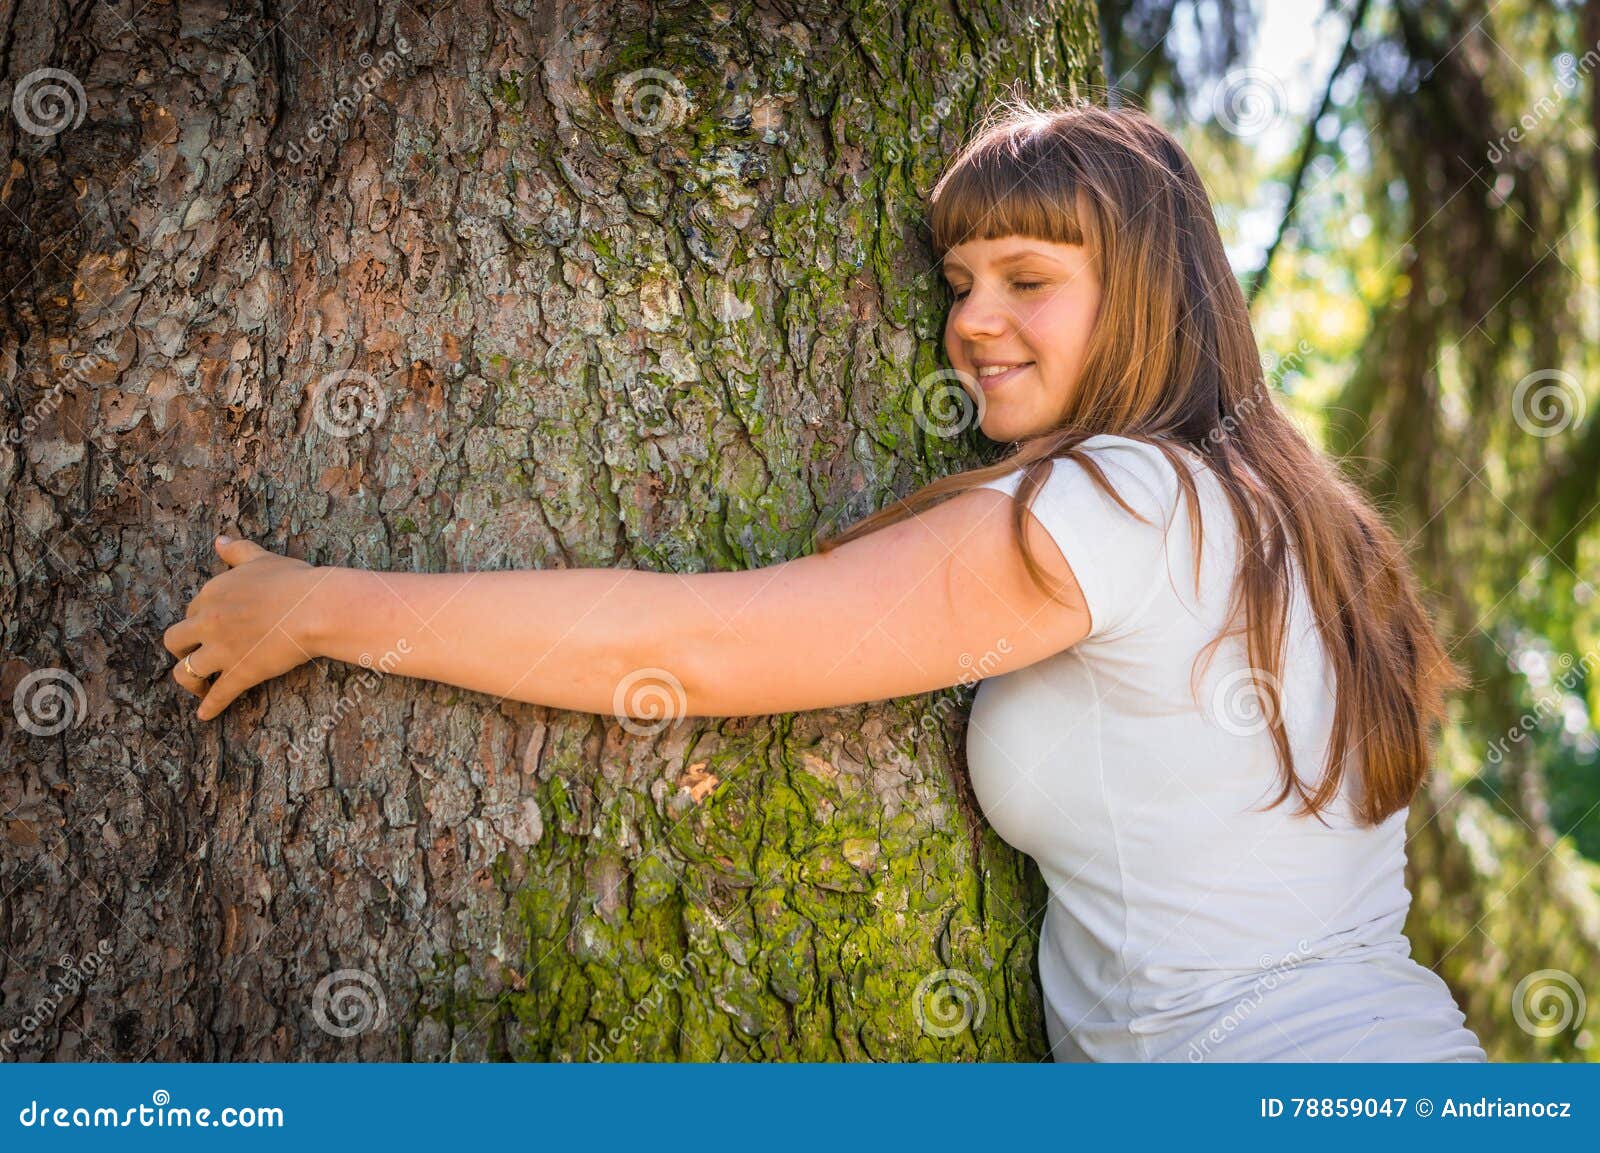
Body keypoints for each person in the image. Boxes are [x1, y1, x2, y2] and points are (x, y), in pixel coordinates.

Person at [162, 98, 1486, 1062]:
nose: (970, 321)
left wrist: (326, 606)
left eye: (1030, 279)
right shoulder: (1290, 513)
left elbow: (702, 652)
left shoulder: (1118, 503)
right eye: (962, 279)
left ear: (1149, 294)